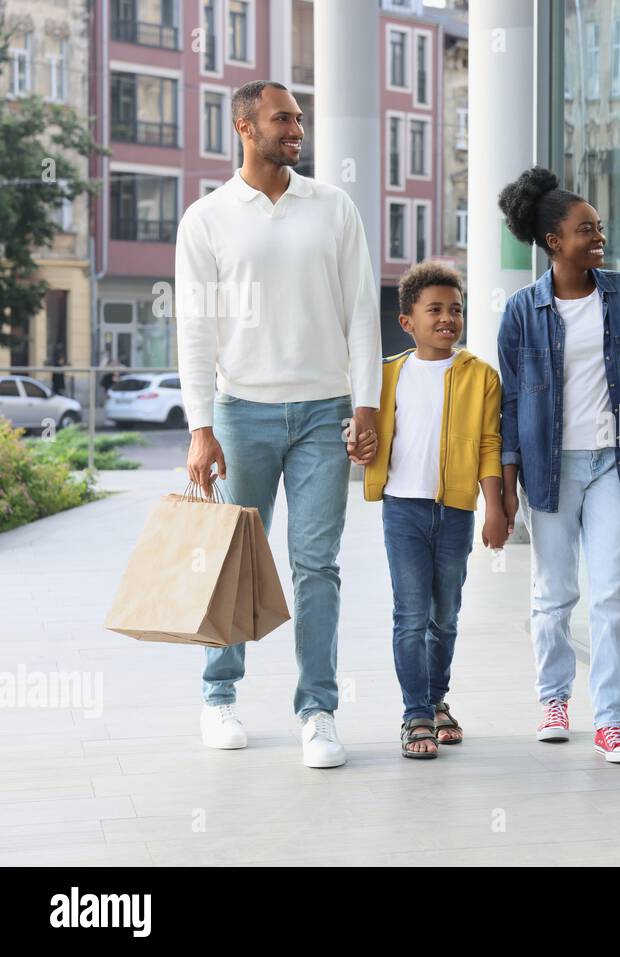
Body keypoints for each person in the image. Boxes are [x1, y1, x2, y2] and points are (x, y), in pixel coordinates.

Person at [176, 80, 381, 768]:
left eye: (299, 117)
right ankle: (218, 692)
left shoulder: (333, 206)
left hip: (325, 411)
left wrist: (366, 402)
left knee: (316, 564)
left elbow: (360, 311)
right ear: (243, 125)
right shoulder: (206, 218)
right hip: (241, 413)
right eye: (282, 118)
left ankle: (318, 710)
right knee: (236, 559)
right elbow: (196, 328)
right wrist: (200, 424)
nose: (296, 128)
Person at [496, 165, 620, 763]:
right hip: (549, 466)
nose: (598, 238)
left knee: (613, 595)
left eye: (599, 228)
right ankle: (553, 699)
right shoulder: (522, 309)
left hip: (614, 464)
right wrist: (505, 487)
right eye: (585, 229)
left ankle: (612, 721)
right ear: (552, 241)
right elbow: (511, 400)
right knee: (554, 593)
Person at [363, 262, 507, 758]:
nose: (448, 318)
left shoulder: (481, 376)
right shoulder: (385, 375)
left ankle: (437, 698)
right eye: (435, 310)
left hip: (455, 512)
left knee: (444, 615)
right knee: (410, 614)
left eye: (456, 309)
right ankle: (415, 715)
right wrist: (355, 444)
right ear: (408, 321)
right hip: (402, 509)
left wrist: (496, 507)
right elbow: (363, 435)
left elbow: (490, 443)